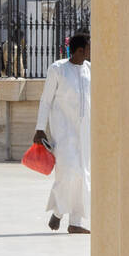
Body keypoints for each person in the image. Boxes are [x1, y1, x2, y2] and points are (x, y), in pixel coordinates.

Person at [34, 32, 91, 233]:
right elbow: (46, 100)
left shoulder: (90, 70)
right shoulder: (58, 69)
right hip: (64, 132)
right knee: (68, 173)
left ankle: (75, 222)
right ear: (80, 50)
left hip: (85, 133)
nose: (91, 51)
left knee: (83, 176)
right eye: (88, 48)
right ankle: (58, 213)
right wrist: (39, 128)